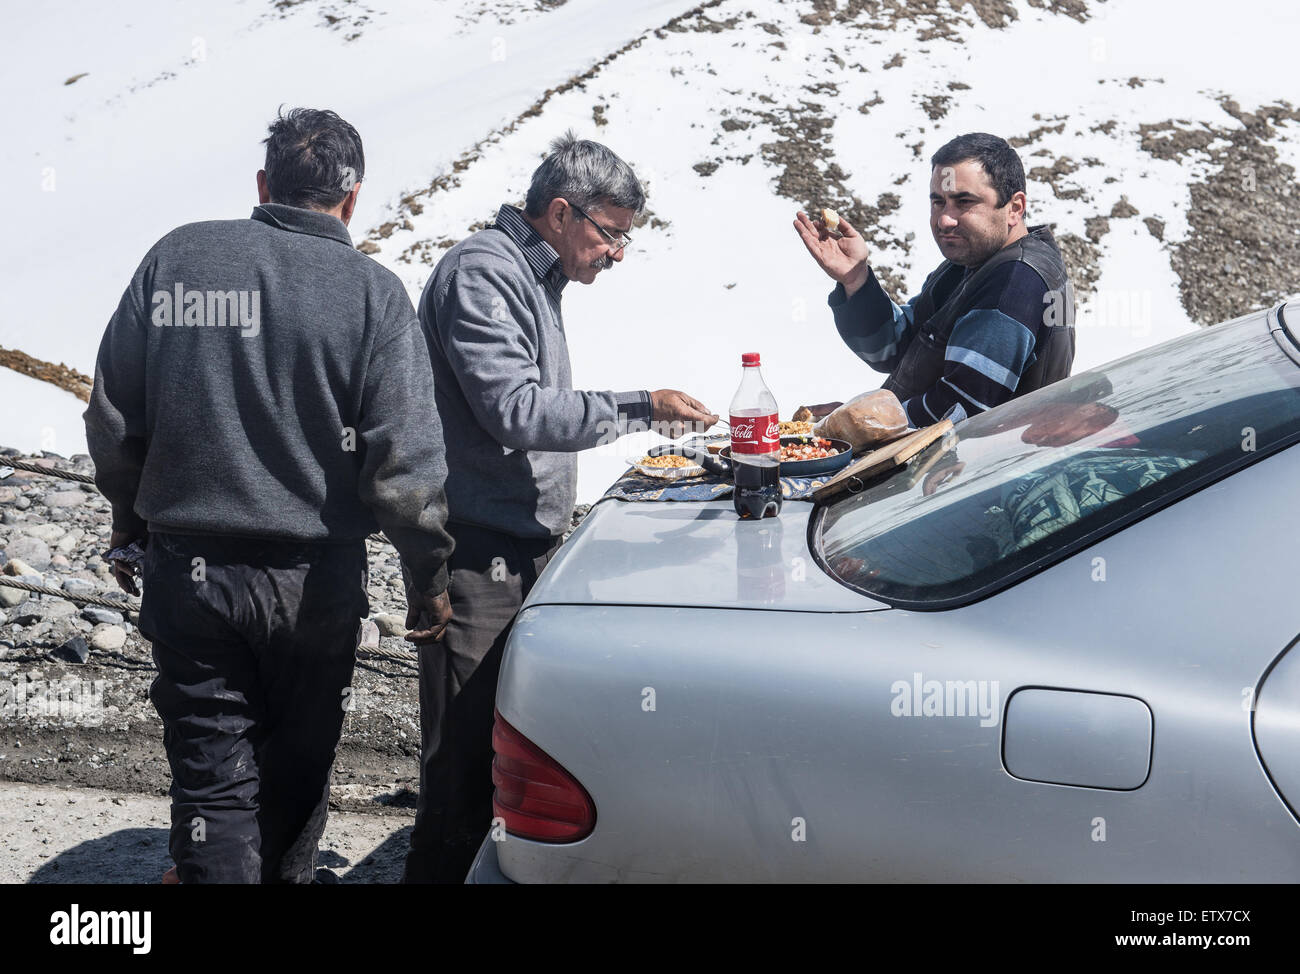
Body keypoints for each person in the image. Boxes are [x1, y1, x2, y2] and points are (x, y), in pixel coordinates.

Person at [83, 107, 455, 884]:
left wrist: (130, 522)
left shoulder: (179, 256)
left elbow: (114, 415)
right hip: (313, 581)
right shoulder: (374, 294)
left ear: (263, 184)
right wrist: (429, 579)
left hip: (190, 568)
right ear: (352, 200)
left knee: (211, 768)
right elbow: (406, 465)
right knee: (299, 755)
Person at [406, 132, 716, 882]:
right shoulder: (484, 271)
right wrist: (641, 406)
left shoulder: (532, 277)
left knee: (504, 752)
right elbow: (513, 410)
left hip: (518, 548)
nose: (616, 253)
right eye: (611, 235)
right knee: (461, 768)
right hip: (477, 554)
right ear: (559, 212)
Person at [794, 132, 1076, 427]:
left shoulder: (1016, 282)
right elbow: (893, 350)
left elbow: (959, 413)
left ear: (1015, 208)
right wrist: (856, 280)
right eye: (938, 202)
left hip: (966, 469)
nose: (945, 219)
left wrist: (854, 424)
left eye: (964, 201)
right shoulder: (972, 263)